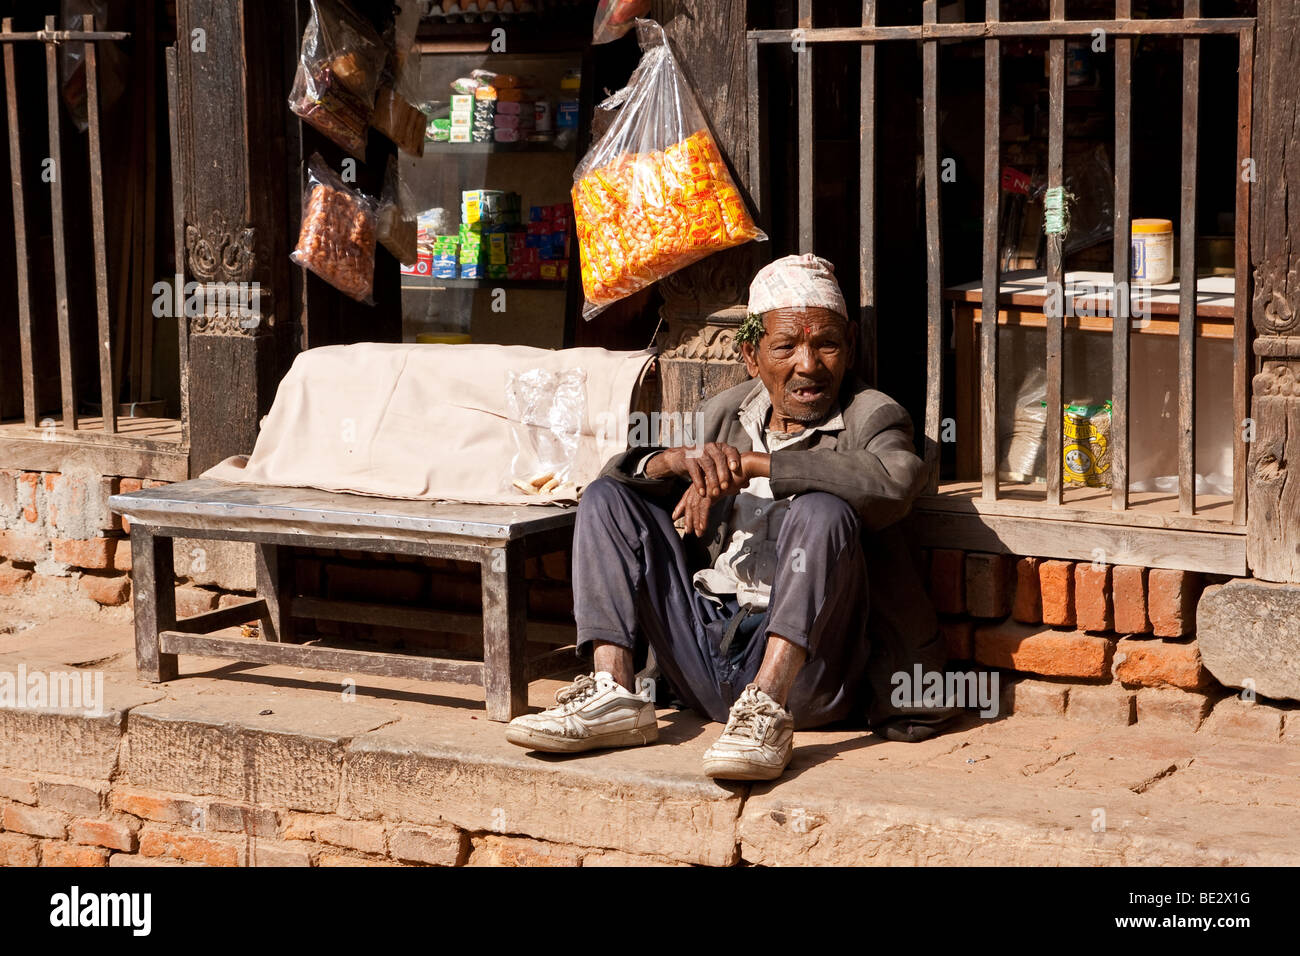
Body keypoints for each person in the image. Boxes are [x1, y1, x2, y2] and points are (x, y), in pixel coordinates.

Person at [506, 253, 951, 780]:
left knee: (821, 510)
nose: (807, 365)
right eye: (785, 346)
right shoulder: (725, 411)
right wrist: (670, 461)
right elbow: (625, 478)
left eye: (825, 344)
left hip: (809, 677)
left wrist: (759, 464)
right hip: (705, 649)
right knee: (608, 496)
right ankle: (614, 694)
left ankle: (766, 708)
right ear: (750, 354)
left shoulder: (874, 414)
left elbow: (895, 481)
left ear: (849, 346)